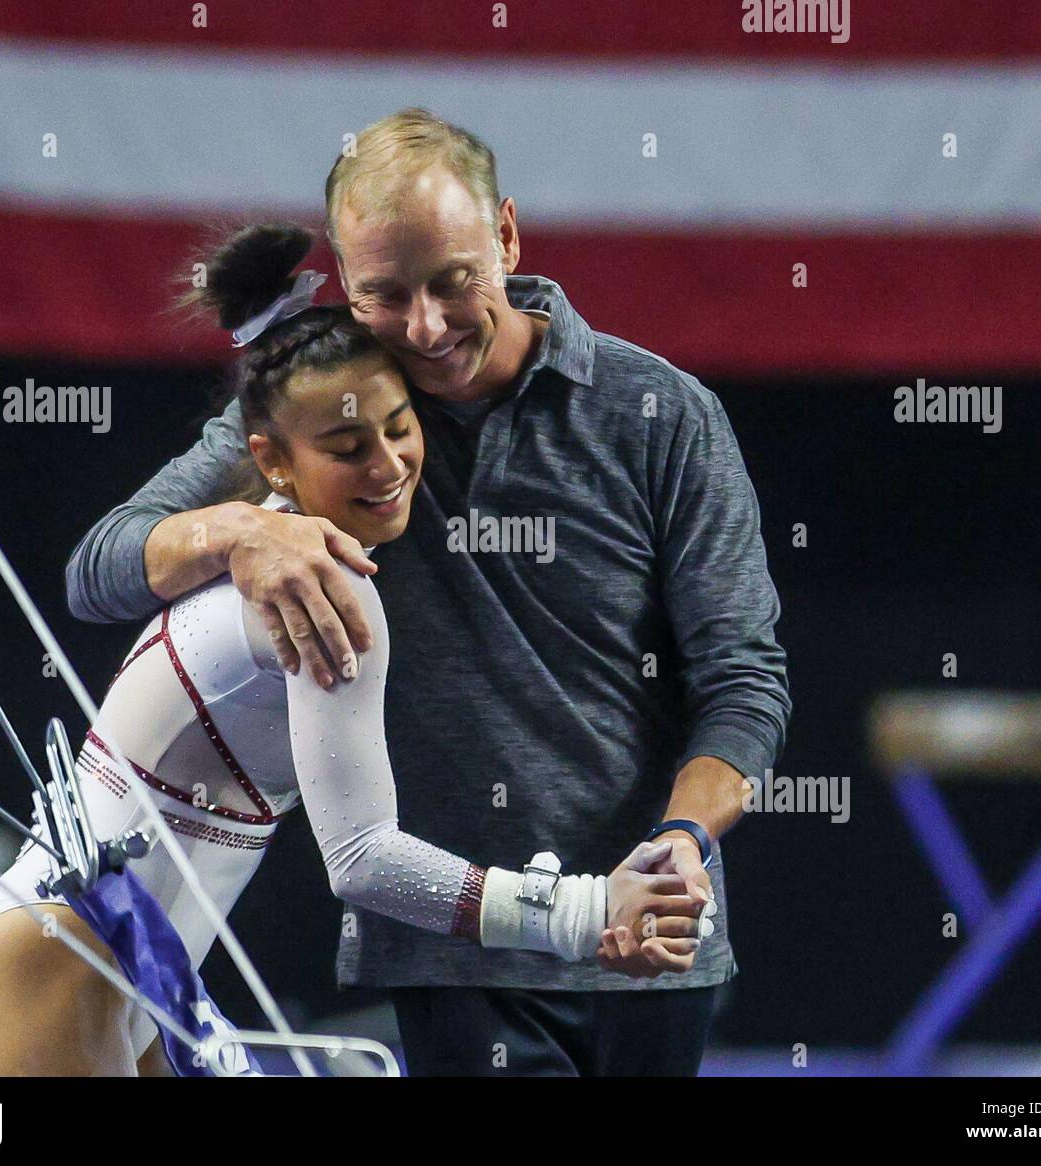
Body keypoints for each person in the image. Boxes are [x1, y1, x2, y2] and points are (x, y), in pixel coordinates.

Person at [67, 109, 792, 1077]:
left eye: (452, 281)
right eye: (386, 295)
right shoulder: (321, 407)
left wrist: (681, 838)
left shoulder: (660, 412)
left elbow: (743, 679)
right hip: (454, 956)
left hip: (651, 942)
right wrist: (244, 529)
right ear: (346, 281)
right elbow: (98, 567)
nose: (426, 326)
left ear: (506, 235)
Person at [0, 224, 706, 1078]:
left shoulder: (270, 543)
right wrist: (585, 913)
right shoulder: (317, 580)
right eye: (346, 448)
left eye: (399, 428)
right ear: (271, 460)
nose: (387, 466)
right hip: (53, 965)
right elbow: (364, 860)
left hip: (128, 973)